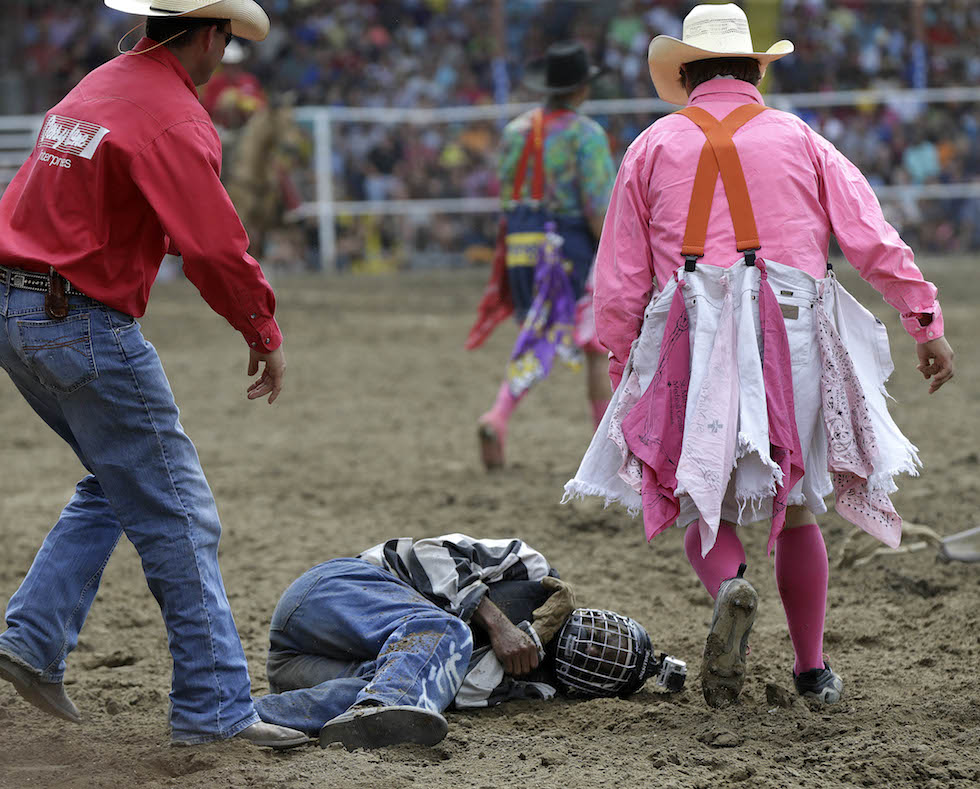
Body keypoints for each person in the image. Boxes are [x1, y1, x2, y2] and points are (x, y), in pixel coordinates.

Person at [563, 4, 954, 710]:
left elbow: (618, 282)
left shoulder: (650, 147)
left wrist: (624, 365)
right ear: (756, 71)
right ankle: (812, 670)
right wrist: (923, 320)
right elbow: (870, 237)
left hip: (688, 327)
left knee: (699, 504)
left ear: (686, 75)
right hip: (793, 326)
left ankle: (729, 589)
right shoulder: (801, 139)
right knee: (799, 506)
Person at [0, 0, 306, 749]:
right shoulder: (174, 116)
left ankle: (33, 637)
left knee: (118, 479)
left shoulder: (98, 86)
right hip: (79, 319)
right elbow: (214, 248)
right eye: (224, 40)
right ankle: (215, 709)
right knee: (178, 512)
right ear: (210, 35)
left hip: (14, 307)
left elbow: (76, 203)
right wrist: (261, 327)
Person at [253, 534, 686, 750]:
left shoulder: (538, 688)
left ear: (590, 689)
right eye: (602, 639)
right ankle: (378, 707)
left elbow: (458, 689)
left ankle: (246, 717)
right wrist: (497, 623)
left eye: (601, 661)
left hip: (296, 668)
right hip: (328, 596)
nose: (592, 648)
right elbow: (428, 551)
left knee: (421, 686)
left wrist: (531, 644)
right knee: (446, 631)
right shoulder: (533, 571)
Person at [466, 41, 617, 471]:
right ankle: (604, 451)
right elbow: (597, 206)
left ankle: (499, 414)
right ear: (581, 88)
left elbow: (507, 196)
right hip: (569, 249)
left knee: (537, 333)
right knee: (595, 347)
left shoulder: (516, 131)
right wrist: (610, 250)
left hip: (520, 248)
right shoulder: (586, 135)